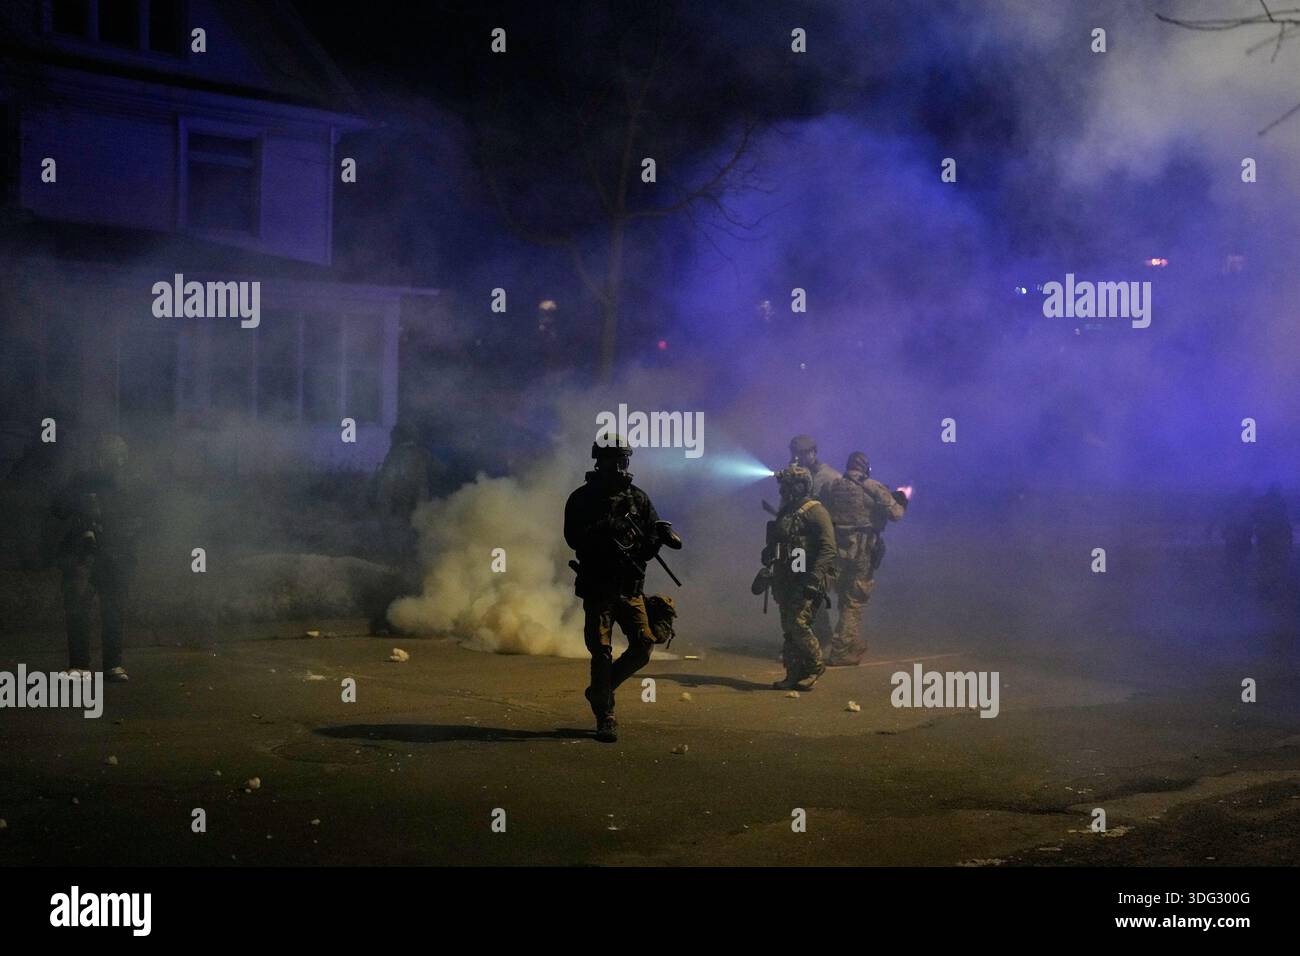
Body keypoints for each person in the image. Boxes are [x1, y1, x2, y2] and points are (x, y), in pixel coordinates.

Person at [564, 436, 677, 742]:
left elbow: (644, 548)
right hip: (599, 586)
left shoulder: (638, 499)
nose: (621, 467)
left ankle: (599, 690)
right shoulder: (582, 499)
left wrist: (658, 538)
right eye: (615, 460)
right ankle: (606, 715)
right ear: (599, 462)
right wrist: (605, 527)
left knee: (642, 647)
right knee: (601, 651)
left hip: (630, 587)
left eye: (624, 460)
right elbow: (573, 539)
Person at [51, 433, 140, 682]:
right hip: (82, 553)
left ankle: (113, 665)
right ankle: (80, 665)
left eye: (123, 453)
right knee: (78, 609)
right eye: (115, 453)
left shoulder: (128, 483)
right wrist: (80, 506)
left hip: (115, 553)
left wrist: (128, 546)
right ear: (101, 455)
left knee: (113, 610)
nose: (120, 459)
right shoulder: (81, 480)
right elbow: (58, 508)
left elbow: (140, 516)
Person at [821, 452, 908, 666]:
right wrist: (899, 501)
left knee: (841, 596)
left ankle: (845, 641)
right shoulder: (874, 487)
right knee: (855, 600)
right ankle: (841, 651)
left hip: (835, 550)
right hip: (862, 552)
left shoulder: (831, 486)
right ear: (865, 468)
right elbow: (896, 515)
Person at [762, 465, 837, 690]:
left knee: (798, 623)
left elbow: (828, 547)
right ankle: (794, 673)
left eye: (789, 485)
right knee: (788, 627)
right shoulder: (787, 510)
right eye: (783, 486)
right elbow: (778, 541)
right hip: (787, 575)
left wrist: (815, 578)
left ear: (801, 485)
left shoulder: (816, 511)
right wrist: (768, 557)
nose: (784, 490)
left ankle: (815, 665)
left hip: (807, 576)